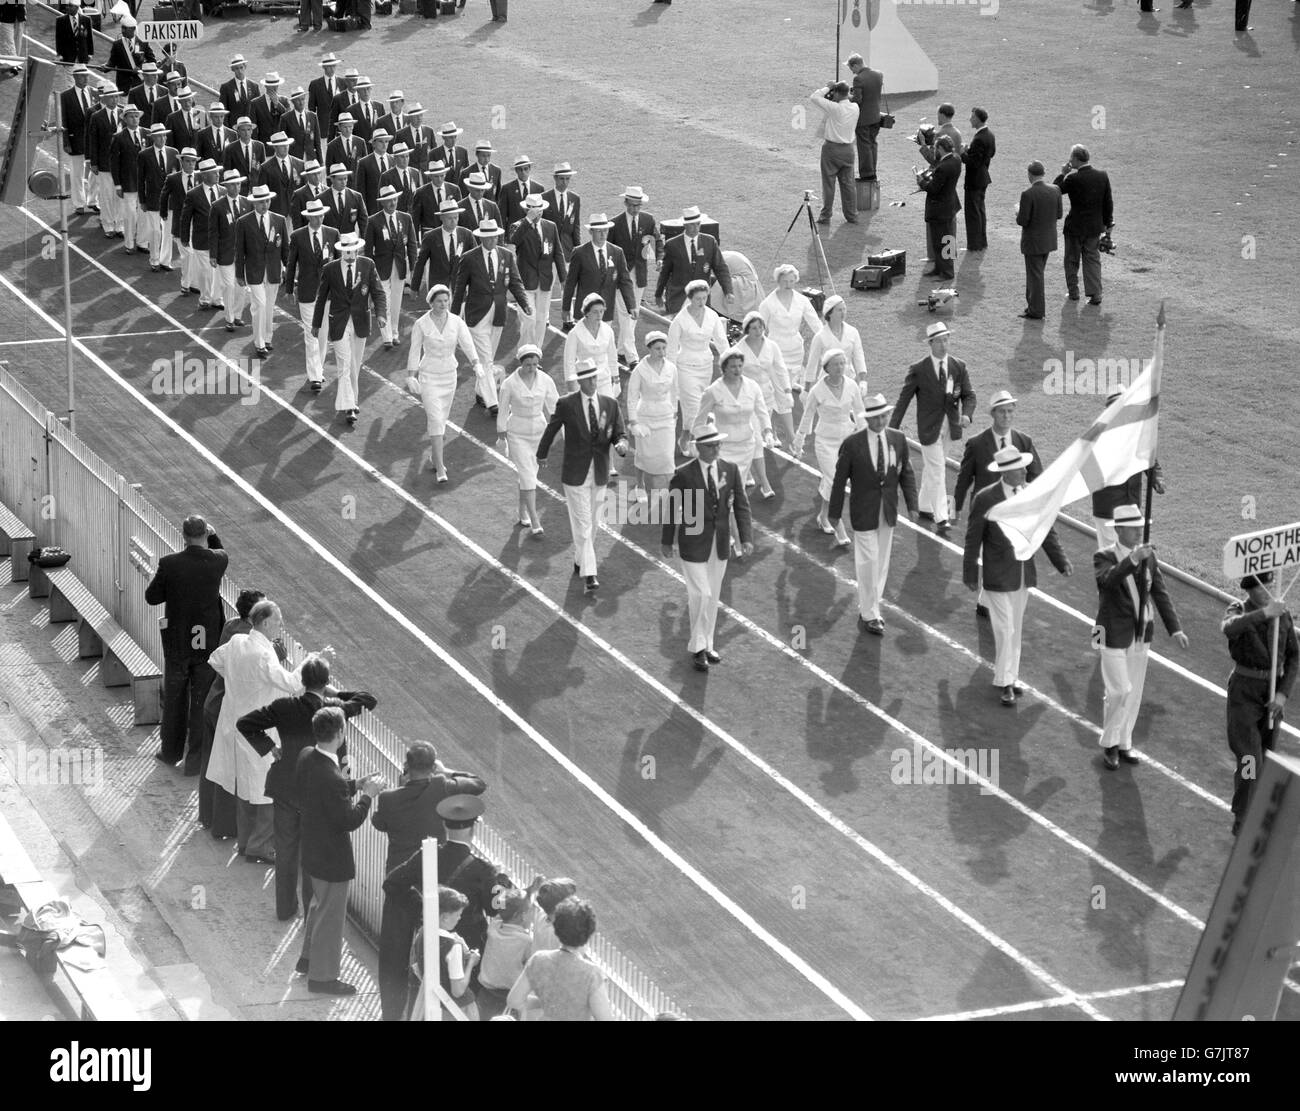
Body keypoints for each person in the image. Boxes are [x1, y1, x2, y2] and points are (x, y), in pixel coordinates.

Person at [236, 656, 377, 920]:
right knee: (313, 855)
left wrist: (271, 748)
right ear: (325, 682)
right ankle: (311, 913)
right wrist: (332, 692)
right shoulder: (335, 708)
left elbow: (245, 724)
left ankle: (285, 909)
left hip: (287, 788)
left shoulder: (284, 706)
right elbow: (368, 699)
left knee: (286, 852)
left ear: (301, 681)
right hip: (318, 793)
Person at [372, 741, 486, 1021]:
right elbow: (478, 783)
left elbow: (378, 822)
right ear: (433, 765)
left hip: (401, 884)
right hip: (433, 882)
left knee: (393, 957)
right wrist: (445, 771)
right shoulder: (442, 786)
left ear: (407, 765)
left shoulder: (388, 798)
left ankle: (391, 1015)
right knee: (435, 951)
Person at [962, 446, 1073, 705]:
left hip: (1022, 572)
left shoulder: (1029, 494)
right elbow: (972, 537)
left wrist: (1061, 561)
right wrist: (970, 572)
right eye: (1019, 468)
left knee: (1016, 629)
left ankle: (1010, 676)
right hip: (997, 574)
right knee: (1005, 628)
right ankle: (1005, 682)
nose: (1025, 470)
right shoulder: (985, 498)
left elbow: (1045, 529)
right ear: (1006, 472)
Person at [296, 707, 386, 996]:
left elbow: (323, 791)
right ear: (339, 734)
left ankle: (308, 960)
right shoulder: (330, 776)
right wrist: (368, 796)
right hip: (331, 857)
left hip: (312, 848)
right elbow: (348, 820)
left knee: (317, 908)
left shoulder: (307, 755)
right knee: (329, 919)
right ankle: (323, 977)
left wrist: (355, 785)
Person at [207, 601, 305, 862]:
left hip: (235, 724)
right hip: (259, 728)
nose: (281, 625)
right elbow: (292, 684)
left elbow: (215, 659)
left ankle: (245, 841)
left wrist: (236, 681)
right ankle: (259, 845)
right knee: (266, 787)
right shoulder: (263, 655)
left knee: (244, 786)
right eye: (277, 620)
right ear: (264, 622)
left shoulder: (238, 642)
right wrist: (314, 661)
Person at [1093, 504, 1188, 770]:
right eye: (1133, 528)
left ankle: (1124, 741)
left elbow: (1160, 592)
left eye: (1140, 528)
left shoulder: (1149, 557)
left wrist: (1175, 628)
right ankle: (1109, 743)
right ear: (1119, 529)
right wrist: (1133, 560)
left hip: (1141, 633)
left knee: (1133, 694)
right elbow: (1108, 582)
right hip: (1110, 633)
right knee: (1119, 690)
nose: (1138, 532)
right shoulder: (1104, 556)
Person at [661, 416, 753, 672]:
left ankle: (707, 644)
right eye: (711, 445)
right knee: (701, 594)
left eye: (717, 444)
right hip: (692, 543)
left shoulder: (730, 470)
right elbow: (672, 509)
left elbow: (742, 505)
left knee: (712, 597)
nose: (716, 449)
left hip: (720, 542)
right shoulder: (684, 475)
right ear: (699, 447)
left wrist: (745, 537)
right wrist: (667, 540)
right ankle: (698, 646)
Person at [536, 360, 629, 595]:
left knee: (593, 524)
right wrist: (542, 453)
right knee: (584, 524)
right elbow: (552, 428)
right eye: (588, 379)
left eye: (595, 378)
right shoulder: (567, 404)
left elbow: (620, 432)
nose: (592, 382)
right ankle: (590, 574)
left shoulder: (610, 404)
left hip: (599, 471)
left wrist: (620, 444)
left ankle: (580, 560)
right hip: (575, 473)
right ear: (580, 381)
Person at [828, 393, 917, 634]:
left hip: (887, 510)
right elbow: (839, 480)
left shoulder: (898, 439)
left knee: (881, 563)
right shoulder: (852, 443)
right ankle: (870, 613)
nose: (880, 421)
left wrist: (913, 505)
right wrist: (833, 513)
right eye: (875, 417)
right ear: (867, 419)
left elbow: (905, 473)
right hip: (863, 510)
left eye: (884, 416)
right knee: (868, 562)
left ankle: (871, 605)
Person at [144, 515, 228, 768]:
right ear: (205, 534)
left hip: (177, 643)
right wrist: (212, 536)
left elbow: (152, 597)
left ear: (183, 536)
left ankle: (170, 752)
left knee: (174, 700)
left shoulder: (170, 564)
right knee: (201, 700)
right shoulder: (217, 561)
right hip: (205, 643)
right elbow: (220, 550)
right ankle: (196, 760)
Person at [954, 390, 1043, 619]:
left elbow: (1036, 475)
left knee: (1007, 555)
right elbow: (964, 477)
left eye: (1010, 411)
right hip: (987, 513)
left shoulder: (1024, 441)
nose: (1006, 416)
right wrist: (956, 505)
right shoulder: (976, 444)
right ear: (993, 414)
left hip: (1015, 511)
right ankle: (987, 599)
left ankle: (987, 599)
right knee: (990, 554)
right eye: (1002, 411)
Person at [1223, 573, 1298, 836]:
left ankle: (1256, 811)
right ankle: (1242, 817)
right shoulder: (1239, 609)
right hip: (1244, 692)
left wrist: (1282, 696)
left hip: (1272, 695)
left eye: (1269, 585)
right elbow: (1229, 628)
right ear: (1250, 590)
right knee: (1249, 759)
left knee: (1265, 759)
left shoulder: (1283, 614)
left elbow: (1293, 656)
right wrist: (1265, 613)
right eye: (1261, 587)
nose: (1267, 590)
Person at [889, 321, 974, 537]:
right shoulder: (918, 369)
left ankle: (925, 506)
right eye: (939, 341)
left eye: (946, 340)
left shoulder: (958, 366)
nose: (944, 345)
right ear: (930, 343)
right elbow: (903, 400)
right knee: (937, 471)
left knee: (934, 468)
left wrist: (966, 414)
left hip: (950, 428)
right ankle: (942, 518)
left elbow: (969, 395)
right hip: (928, 429)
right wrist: (891, 429)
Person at [198, 588, 268, 826]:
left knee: (211, 762)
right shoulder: (253, 639)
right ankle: (224, 824)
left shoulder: (231, 626)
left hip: (213, 701)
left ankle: (208, 817)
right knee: (227, 767)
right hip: (228, 708)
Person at [451, 218, 531, 415]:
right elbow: (460, 288)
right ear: (481, 238)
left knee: (488, 357)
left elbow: (515, 282)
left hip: (498, 314)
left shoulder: (506, 255)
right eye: (488, 237)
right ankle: (493, 403)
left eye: (494, 236)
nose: (492, 239)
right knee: (486, 360)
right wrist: (453, 317)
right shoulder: (469, 258)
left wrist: (525, 303)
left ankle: (480, 392)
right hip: (476, 315)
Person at [312, 231, 388, 427]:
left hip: (360, 321)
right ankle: (350, 406)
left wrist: (381, 314)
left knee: (355, 364)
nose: (350, 254)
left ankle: (351, 400)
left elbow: (378, 292)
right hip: (339, 322)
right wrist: (316, 323)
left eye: (353, 250)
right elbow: (321, 298)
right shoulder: (329, 269)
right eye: (346, 251)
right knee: (344, 364)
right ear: (341, 251)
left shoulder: (368, 265)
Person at [406, 284, 481, 481]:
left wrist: (476, 364)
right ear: (431, 302)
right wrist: (411, 375)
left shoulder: (456, 322)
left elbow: (467, 343)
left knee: (442, 419)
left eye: (446, 301)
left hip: (449, 376)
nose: (443, 304)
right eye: (439, 301)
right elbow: (414, 350)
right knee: (435, 419)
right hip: (429, 376)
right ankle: (440, 468)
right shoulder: (421, 324)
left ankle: (434, 457)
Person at [794, 350, 866, 548]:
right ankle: (838, 525)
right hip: (825, 441)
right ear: (827, 368)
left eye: (843, 363)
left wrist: (867, 437)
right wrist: (799, 440)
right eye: (836, 364)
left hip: (847, 442)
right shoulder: (818, 390)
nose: (841, 367)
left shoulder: (851, 386)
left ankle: (823, 516)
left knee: (833, 482)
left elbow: (860, 413)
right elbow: (808, 415)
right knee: (834, 481)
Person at [696, 348, 775, 517]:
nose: (737, 370)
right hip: (722, 449)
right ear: (724, 368)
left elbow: (762, 412)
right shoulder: (713, 391)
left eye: (740, 365)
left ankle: (727, 525)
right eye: (733, 366)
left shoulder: (752, 387)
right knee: (724, 489)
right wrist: (702, 444)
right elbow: (699, 421)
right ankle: (722, 525)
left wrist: (767, 431)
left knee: (736, 489)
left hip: (746, 446)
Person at [506, 897, 613, 1021]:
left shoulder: (538, 959)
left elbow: (514, 1001)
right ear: (589, 932)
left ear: (557, 928)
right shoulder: (592, 974)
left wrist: (545, 1002)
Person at [496, 344, 559, 534]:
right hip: (517, 434)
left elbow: (555, 407)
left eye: (535, 364)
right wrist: (501, 434)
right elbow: (503, 409)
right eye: (528, 364)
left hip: (539, 434)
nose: (532, 368)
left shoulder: (546, 380)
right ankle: (534, 519)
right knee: (528, 476)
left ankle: (522, 511)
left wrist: (561, 431)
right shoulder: (509, 383)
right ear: (520, 363)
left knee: (529, 475)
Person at [1091, 392, 1164, 549]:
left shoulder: (1135, 430)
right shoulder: (1099, 434)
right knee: (1112, 553)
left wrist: (1156, 477)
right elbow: (1090, 468)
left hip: (1131, 505)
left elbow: (1148, 457)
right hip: (1109, 507)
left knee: (1132, 549)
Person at [666, 279, 727, 456]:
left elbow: (722, 342)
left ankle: (684, 438)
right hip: (685, 368)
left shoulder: (712, 316)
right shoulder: (679, 320)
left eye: (704, 298)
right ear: (690, 298)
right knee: (693, 408)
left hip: (706, 367)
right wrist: (672, 376)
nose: (701, 302)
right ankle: (699, 445)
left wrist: (730, 360)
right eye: (698, 298)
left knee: (699, 408)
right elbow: (671, 351)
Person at [284, 198, 338, 393]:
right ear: (309, 217)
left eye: (322, 214)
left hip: (328, 293)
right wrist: (289, 289)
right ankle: (315, 376)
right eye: (316, 215)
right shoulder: (297, 236)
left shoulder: (333, 233)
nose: (320, 218)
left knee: (323, 334)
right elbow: (291, 264)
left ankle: (318, 369)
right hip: (307, 291)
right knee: (311, 333)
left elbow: (338, 264)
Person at [736, 312, 794, 493]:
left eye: (760, 327)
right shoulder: (739, 349)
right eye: (754, 328)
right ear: (747, 329)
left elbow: (781, 369)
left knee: (758, 436)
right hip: (746, 398)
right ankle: (759, 480)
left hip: (766, 398)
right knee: (752, 437)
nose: (758, 331)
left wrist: (787, 391)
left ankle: (748, 473)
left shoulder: (772, 346)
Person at [606, 186, 662, 365]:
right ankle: (632, 356)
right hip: (621, 276)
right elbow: (608, 250)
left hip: (640, 274)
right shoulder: (615, 223)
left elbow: (657, 240)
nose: (635, 209)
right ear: (625, 203)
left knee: (633, 312)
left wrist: (660, 258)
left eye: (638, 205)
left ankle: (621, 349)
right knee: (626, 312)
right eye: (632, 205)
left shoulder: (648, 220)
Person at [404, 887, 478, 1021]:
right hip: (457, 1010)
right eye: (458, 914)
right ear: (444, 917)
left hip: (434, 1004)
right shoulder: (453, 946)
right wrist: (471, 962)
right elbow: (458, 991)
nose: (460, 918)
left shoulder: (422, 933)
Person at [1053, 144, 1113, 306]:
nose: (1069, 160)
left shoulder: (1073, 178)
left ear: (1076, 159)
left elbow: (1055, 190)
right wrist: (1108, 223)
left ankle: (1073, 293)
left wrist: (1062, 173)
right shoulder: (1102, 176)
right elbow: (1108, 203)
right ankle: (1096, 295)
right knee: (1092, 259)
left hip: (1075, 227)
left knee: (1071, 260)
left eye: (1071, 157)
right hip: (1094, 227)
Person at [560, 213, 637, 340]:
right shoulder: (579, 253)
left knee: (603, 349)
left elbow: (625, 281)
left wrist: (632, 305)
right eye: (598, 231)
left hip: (606, 312)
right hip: (585, 312)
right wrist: (566, 308)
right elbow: (570, 283)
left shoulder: (617, 252)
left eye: (605, 231)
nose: (603, 235)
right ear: (591, 232)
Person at [626, 331, 678, 510]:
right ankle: (640, 485)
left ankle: (672, 493)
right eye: (657, 349)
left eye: (664, 348)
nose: (662, 352)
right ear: (649, 349)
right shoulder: (639, 370)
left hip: (665, 417)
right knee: (643, 455)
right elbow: (632, 397)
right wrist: (634, 422)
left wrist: (675, 411)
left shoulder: (671, 368)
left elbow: (675, 391)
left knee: (667, 456)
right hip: (645, 417)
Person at [234, 184, 288, 359]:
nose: (264, 204)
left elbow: (285, 248)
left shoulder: (279, 220)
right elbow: (239, 250)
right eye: (260, 202)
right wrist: (239, 274)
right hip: (254, 271)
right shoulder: (243, 222)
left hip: (273, 270)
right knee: (260, 305)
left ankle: (267, 338)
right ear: (254, 203)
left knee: (269, 306)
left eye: (267, 201)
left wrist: (287, 267)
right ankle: (259, 343)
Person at [506, 193, 566, 350]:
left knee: (540, 320)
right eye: (534, 211)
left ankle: (535, 352)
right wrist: (527, 221)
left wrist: (563, 279)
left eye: (540, 211)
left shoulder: (550, 226)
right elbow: (513, 240)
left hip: (545, 281)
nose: (538, 215)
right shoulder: (517, 226)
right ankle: (525, 350)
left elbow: (558, 254)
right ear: (527, 211)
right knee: (529, 319)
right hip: (525, 282)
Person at [364, 184, 417, 351]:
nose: (393, 203)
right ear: (382, 203)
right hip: (381, 267)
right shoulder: (373, 221)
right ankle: (386, 336)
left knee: (396, 301)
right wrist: (369, 271)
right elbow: (367, 249)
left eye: (394, 199)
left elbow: (412, 244)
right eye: (389, 200)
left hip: (400, 265)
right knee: (384, 300)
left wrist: (413, 266)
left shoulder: (405, 218)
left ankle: (394, 331)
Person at [654, 206, 733, 315]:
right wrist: (658, 294)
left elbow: (721, 268)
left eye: (698, 224)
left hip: (702, 299)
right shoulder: (672, 245)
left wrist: (728, 291)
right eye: (692, 224)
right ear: (685, 225)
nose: (696, 228)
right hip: (678, 298)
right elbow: (665, 272)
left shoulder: (709, 242)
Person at [758, 266, 821, 394]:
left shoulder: (802, 300)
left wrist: (826, 338)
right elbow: (758, 329)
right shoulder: (767, 303)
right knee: (776, 384)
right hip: (776, 348)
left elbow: (815, 322)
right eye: (785, 281)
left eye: (791, 281)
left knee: (790, 383)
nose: (788, 284)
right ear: (778, 281)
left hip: (795, 349)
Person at [1014, 161, 1061, 320]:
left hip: (1033, 242)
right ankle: (1032, 307)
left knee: (1035, 276)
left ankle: (1036, 310)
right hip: (1048, 240)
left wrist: (1018, 212)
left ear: (1030, 174)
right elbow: (1059, 214)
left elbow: (1023, 221)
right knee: (1036, 275)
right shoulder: (1055, 189)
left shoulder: (1028, 194)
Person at [807, 82, 859, 226]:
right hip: (848, 149)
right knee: (848, 184)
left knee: (828, 184)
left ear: (836, 93)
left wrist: (827, 87)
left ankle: (826, 216)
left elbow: (814, 97)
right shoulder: (855, 107)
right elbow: (848, 98)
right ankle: (852, 215)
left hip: (832, 149)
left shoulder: (835, 108)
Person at [476, 891, 533, 1020]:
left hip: (485, 994)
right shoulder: (526, 941)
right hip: (508, 999)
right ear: (522, 915)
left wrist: (527, 893)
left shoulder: (493, 928)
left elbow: (502, 913)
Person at [209, 169, 251, 333]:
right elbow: (213, 232)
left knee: (241, 286)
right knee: (228, 287)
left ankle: (238, 316)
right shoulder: (217, 206)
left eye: (238, 184)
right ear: (226, 186)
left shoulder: (247, 203)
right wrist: (213, 254)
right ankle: (229, 319)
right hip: (225, 253)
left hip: (243, 255)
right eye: (233, 184)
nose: (237, 187)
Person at [916, 135, 962, 279]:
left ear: (941, 149)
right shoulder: (955, 159)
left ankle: (947, 272)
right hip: (949, 205)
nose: (935, 151)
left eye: (936, 148)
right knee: (943, 240)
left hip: (940, 209)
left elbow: (934, 189)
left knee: (943, 241)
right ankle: (939, 268)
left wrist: (922, 182)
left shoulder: (943, 167)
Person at [412, 199, 473, 301]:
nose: (453, 221)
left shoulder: (466, 234)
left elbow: (475, 259)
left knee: (459, 316)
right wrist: (414, 287)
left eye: (456, 217)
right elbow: (420, 263)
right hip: (438, 287)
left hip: (460, 287)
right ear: (441, 218)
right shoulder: (430, 237)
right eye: (450, 218)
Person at [181, 158, 222, 307]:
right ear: (204, 176)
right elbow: (186, 218)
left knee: (218, 273)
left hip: (221, 241)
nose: (218, 175)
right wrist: (184, 237)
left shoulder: (223, 192)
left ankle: (217, 299)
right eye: (214, 173)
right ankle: (205, 299)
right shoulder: (193, 194)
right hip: (202, 239)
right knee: (205, 272)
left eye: (218, 172)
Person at [562, 292, 619, 400]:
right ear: (586, 312)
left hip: (604, 379)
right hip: (584, 380)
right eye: (595, 312)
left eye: (601, 311)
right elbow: (568, 362)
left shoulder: (608, 330)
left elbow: (612, 355)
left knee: (607, 413)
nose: (599, 315)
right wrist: (571, 386)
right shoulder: (574, 334)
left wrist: (616, 378)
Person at [803, 295, 866, 390]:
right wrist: (807, 390)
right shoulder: (820, 336)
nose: (843, 313)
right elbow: (812, 364)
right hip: (827, 383)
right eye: (839, 310)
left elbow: (859, 357)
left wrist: (862, 381)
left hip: (849, 381)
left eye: (844, 309)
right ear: (830, 313)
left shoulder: (853, 332)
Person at [109, 104, 147, 255]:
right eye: (131, 116)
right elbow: (114, 162)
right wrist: (118, 184)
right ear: (124, 119)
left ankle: (143, 242)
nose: (134, 119)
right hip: (128, 181)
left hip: (144, 182)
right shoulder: (118, 138)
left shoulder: (147, 133)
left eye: (136, 116)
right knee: (130, 214)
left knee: (144, 214)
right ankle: (129, 243)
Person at [59, 66, 97, 216]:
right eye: (81, 76)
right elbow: (64, 120)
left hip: (93, 140)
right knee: (76, 173)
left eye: (86, 76)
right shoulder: (66, 96)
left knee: (95, 173)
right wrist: (66, 141)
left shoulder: (94, 93)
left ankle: (93, 201)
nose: (85, 78)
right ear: (74, 77)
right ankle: (79, 203)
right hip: (76, 139)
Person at [845, 53, 883, 183]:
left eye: (852, 69)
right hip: (876, 117)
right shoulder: (878, 74)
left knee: (864, 146)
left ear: (856, 65)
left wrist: (847, 96)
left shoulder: (859, 79)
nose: (852, 72)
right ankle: (873, 171)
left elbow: (857, 100)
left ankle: (867, 174)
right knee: (873, 144)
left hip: (863, 119)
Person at [960, 108, 994, 252]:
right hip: (983, 177)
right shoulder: (989, 134)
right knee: (980, 211)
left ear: (978, 119)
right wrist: (970, 151)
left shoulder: (979, 138)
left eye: (972, 117)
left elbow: (973, 163)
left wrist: (963, 153)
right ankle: (982, 242)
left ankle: (974, 245)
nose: (970, 119)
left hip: (975, 180)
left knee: (973, 213)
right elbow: (989, 154)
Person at [541, 161, 581, 261]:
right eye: (562, 178)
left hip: (568, 251)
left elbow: (576, 226)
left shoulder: (575, 198)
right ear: (555, 178)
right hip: (549, 250)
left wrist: (578, 250)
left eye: (567, 179)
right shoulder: (544, 197)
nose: (565, 182)